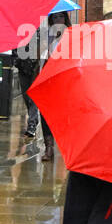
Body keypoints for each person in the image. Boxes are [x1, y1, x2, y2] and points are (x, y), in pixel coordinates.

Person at [39, 11, 71, 162]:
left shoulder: (71, 36)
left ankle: (68, 148)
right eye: (55, 17)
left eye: (61, 16)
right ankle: (49, 148)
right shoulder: (47, 37)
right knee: (45, 113)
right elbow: (41, 58)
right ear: (51, 20)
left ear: (66, 18)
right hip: (49, 79)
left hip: (66, 81)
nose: (59, 19)